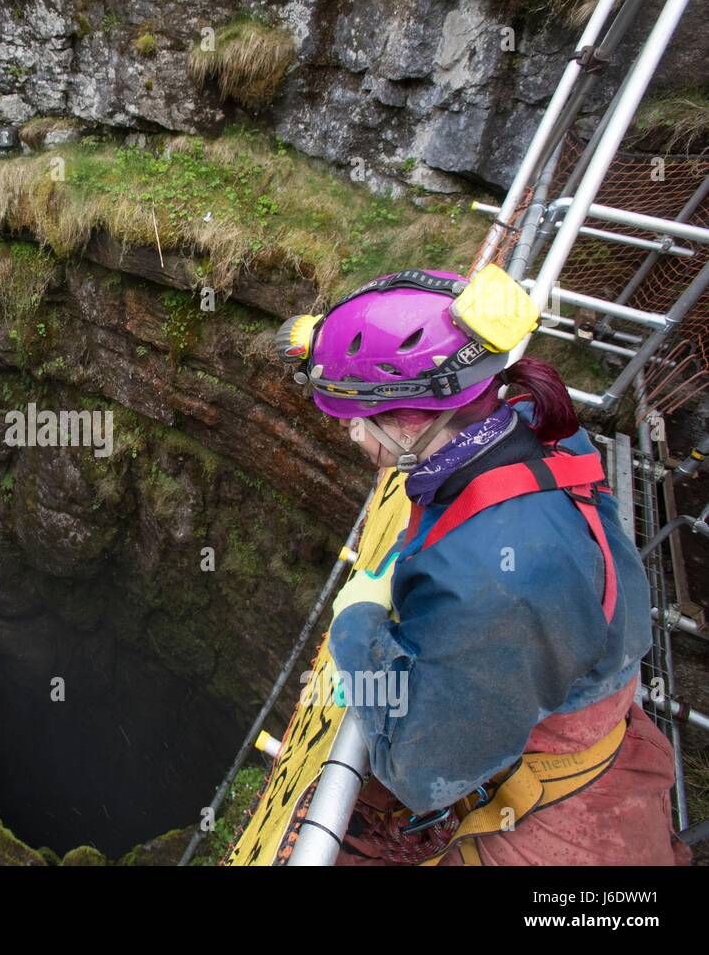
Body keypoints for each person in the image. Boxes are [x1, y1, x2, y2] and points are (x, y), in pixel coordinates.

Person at [273, 266, 690, 865]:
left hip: (555, 801)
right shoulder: (535, 424)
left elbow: (422, 773)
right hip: (588, 696)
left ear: (411, 419)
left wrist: (358, 623)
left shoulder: (488, 586)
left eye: (353, 422)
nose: (350, 437)